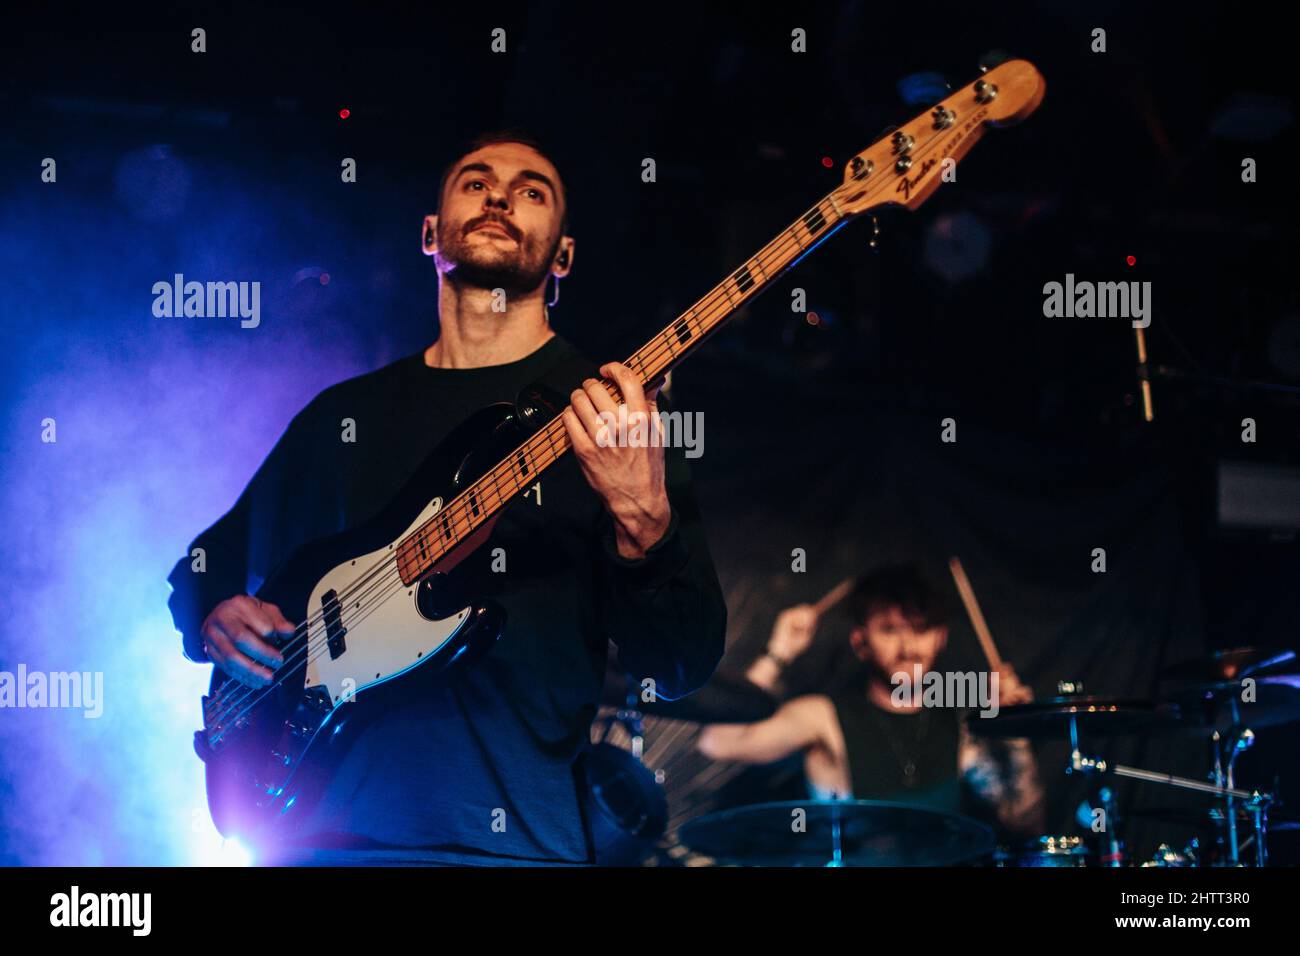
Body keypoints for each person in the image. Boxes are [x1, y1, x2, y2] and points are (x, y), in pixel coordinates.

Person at [167, 129, 727, 866]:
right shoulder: (344, 416)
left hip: (513, 845)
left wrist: (645, 522)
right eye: (476, 181)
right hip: (315, 838)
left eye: (532, 191)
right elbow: (206, 558)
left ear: (562, 255)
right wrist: (212, 608)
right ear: (431, 234)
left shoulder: (612, 420)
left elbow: (680, 665)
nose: (500, 196)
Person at [699, 564, 1045, 837]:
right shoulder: (823, 717)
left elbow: (1025, 823)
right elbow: (718, 743)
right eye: (890, 630)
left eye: (920, 629)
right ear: (860, 642)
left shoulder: (960, 723)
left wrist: (1016, 731)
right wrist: (779, 653)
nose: (908, 647)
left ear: (941, 638)